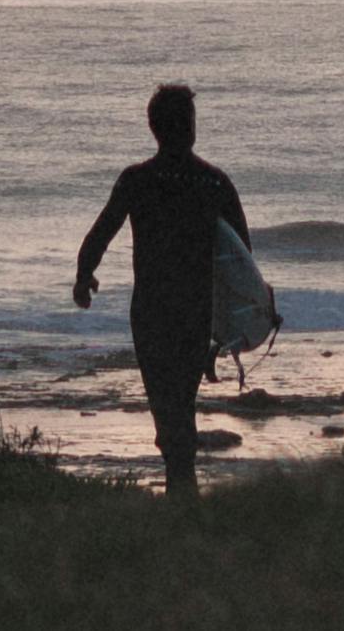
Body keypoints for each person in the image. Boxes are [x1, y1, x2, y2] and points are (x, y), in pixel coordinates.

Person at [74, 82, 252, 498]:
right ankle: (182, 486)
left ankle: (180, 486)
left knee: (166, 403)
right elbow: (243, 262)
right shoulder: (212, 183)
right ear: (185, 128)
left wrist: (84, 277)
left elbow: (100, 234)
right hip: (192, 310)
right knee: (179, 403)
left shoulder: (139, 180)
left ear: (153, 128)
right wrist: (236, 323)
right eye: (186, 121)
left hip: (155, 311)